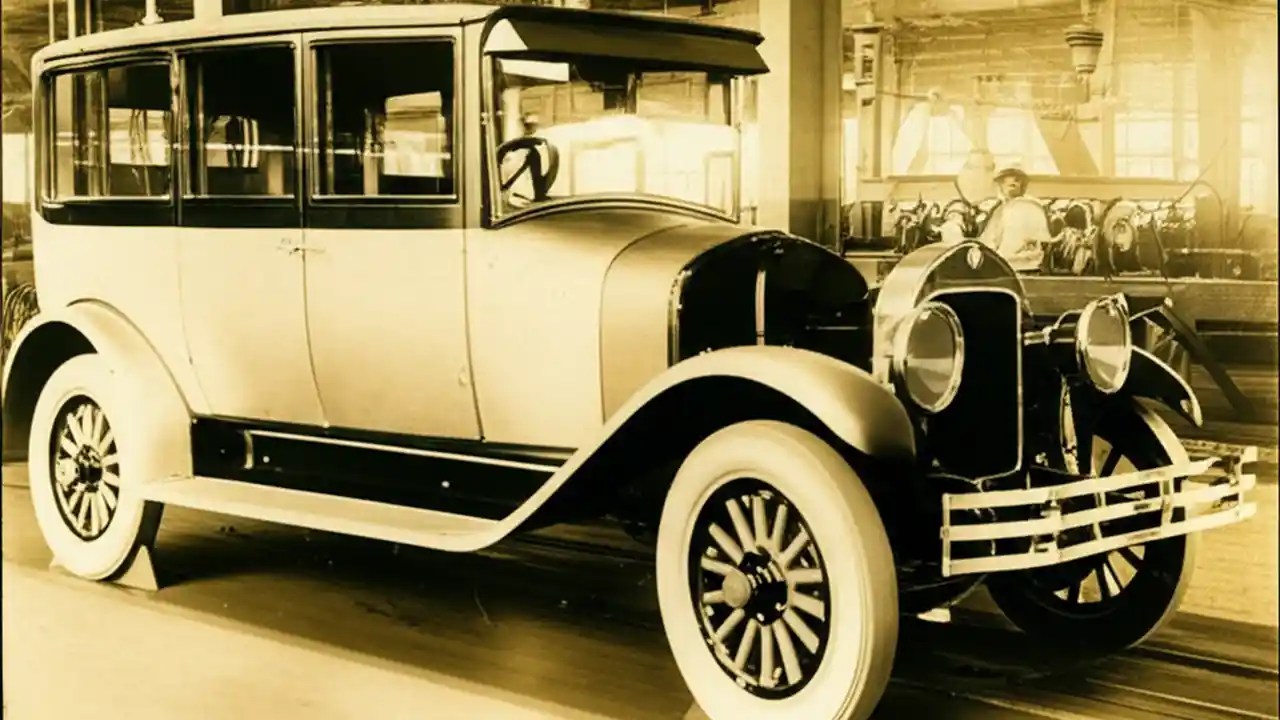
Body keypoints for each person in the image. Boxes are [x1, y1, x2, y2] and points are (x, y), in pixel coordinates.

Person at [979, 164, 1052, 272]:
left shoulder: (1032, 207)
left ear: (1022, 185)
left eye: (1016, 181)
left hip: (1025, 266)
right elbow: (989, 239)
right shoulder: (998, 209)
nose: (1012, 184)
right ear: (1000, 186)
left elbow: (1041, 240)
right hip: (1001, 265)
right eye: (1005, 182)